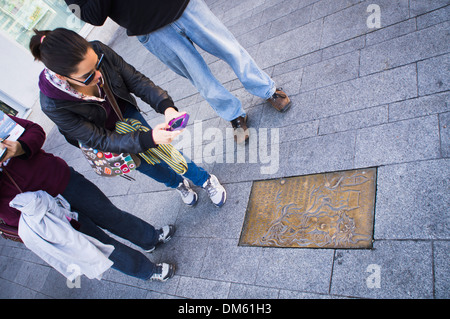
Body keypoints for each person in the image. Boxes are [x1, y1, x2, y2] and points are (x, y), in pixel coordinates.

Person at [30, 28, 226, 208]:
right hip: (104, 136)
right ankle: (177, 184)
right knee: (146, 167)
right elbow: (99, 139)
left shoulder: (98, 48)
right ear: (63, 77)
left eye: (97, 64)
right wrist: (147, 139)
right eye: (88, 76)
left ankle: (204, 180)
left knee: (165, 152)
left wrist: (166, 107)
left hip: (125, 113)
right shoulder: (52, 104)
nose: (98, 75)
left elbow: (135, 80)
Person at [64, 0, 291, 144]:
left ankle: (267, 90)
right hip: (150, 31)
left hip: (184, 5)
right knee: (199, 78)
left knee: (231, 50)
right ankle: (234, 115)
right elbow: (92, 16)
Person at [0, 116, 175, 281]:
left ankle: (149, 238)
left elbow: (35, 130)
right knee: (98, 245)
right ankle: (147, 270)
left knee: (110, 214)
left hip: (60, 179)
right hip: (40, 214)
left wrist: (21, 147)